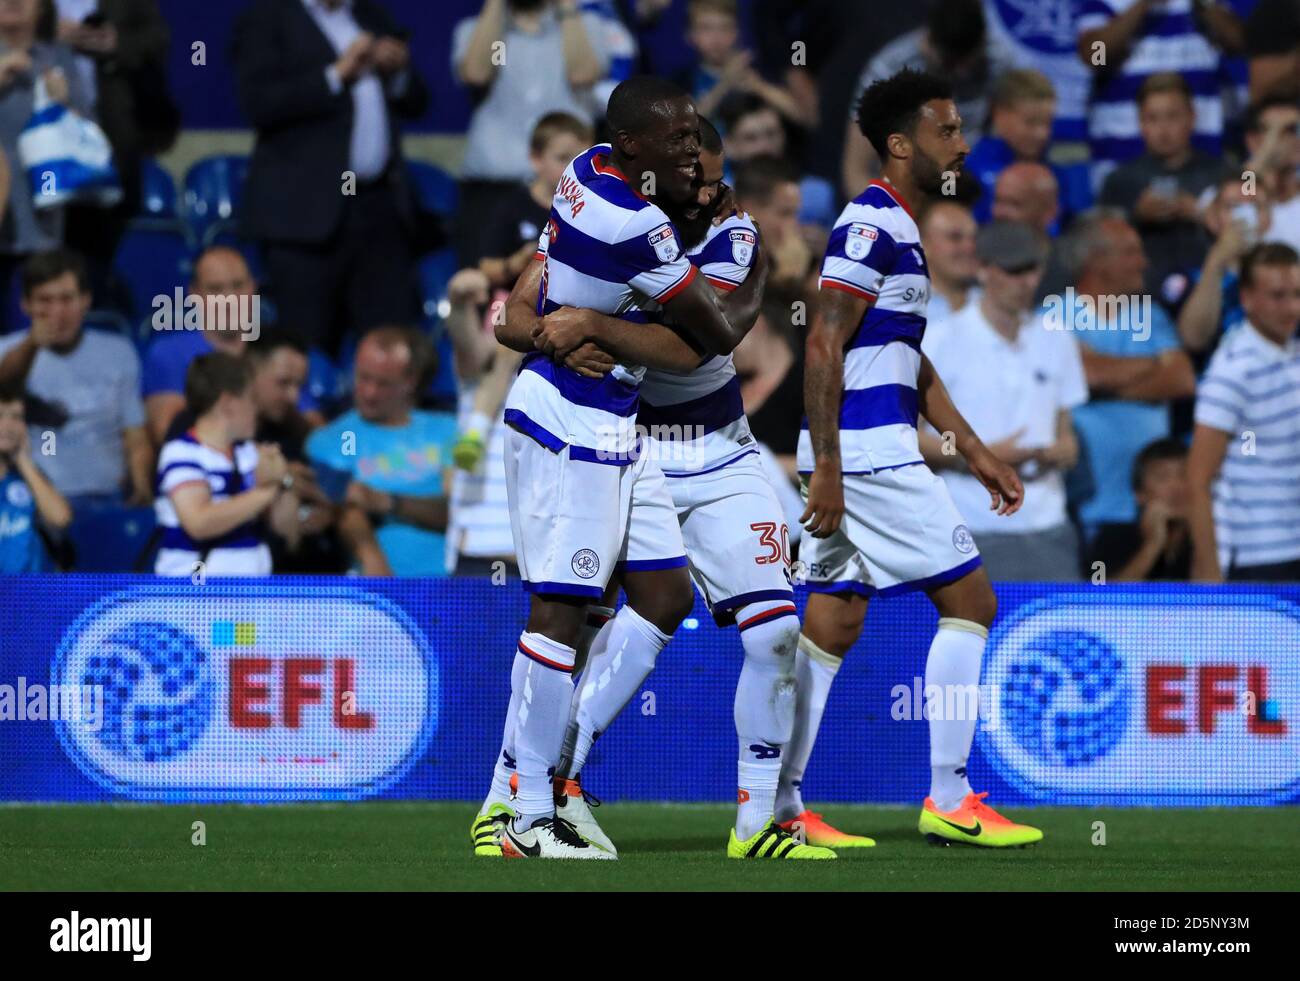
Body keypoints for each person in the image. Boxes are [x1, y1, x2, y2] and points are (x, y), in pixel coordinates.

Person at [498, 115, 835, 859]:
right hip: (633, 444)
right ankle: (548, 787)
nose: (707, 188)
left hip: (716, 450)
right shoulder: (609, 210)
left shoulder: (732, 237)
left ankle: (757, 823)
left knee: (778, 632)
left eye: (712, 175)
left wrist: (591, 323)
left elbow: (701, 343)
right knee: (585, 610)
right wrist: (538, 326)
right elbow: (524, 299)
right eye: (693, 172)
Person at [795, 68, 1040, 848]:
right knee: (972, 603)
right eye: (947, 131)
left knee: (832, 621)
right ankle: (950, 797)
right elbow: (823, 340)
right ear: (901, 145)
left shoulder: (903, 228)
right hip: (865, 456)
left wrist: (972, 448)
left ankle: (776, 803)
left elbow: (905, 359)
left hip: (860, 450)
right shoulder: (871, 226)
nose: (962, 144)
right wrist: (830, 464)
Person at [233, 0, 428, 354]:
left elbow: (418, 101)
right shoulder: (267, 19)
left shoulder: (370, 15)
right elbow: (258, 104)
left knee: (391, 342)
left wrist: (398, 71)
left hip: (379, 209)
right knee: (305, 346)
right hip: (303, 218)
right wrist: (337, 74)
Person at [920, 221, 1086, 581]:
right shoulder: (938, 340)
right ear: (983, 271)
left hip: (1048, 523)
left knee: (1055, 635)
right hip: (969, 523)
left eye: (1032, 269)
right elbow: (907, 438)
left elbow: (1067, 436)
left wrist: (1061, 451)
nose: (1026, 282)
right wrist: (980, 456)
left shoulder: (1057, 338)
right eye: (1013, 272)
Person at [1062, 209, 1196, 545]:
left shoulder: (1150, 315)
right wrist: (1152, 366)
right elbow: (1087, 375)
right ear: (1097, 261)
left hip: (1158, 507)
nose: (1143, 262)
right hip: (1088, 507)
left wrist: (1096, 388)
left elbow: (1181, 379)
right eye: (1131, 252)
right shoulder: (1052, 317)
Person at [451, 0, 610, 265]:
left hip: (567, 195)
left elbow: (583, 73)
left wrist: (567, 7)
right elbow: (476, 73)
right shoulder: (477, 29)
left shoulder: (586, 26)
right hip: (493, 191)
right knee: (484, 293)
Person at [0, 249, 150, 508]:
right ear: (25, 304)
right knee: (49, 441)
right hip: (36, 498)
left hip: (107, 497)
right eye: (45, 300)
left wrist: (141, 484)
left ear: (86, 300)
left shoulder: (118, 352)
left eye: (66, 299)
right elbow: (5, 386)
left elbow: (134, 434)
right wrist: (32, 345)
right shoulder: (8, 351)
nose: (57, 311)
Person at [1188, 242, 1300, 581]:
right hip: (1260, 555)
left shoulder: (1292, 354)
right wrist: (1209, 573)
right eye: (1278, 296)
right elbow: (1197, 478)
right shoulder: (1232, 370)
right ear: (1247, 298)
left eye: (1297, 294)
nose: (1292, 307)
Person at [305, 326, 457, 577]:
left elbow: (460, 512)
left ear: (410, 382)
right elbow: (340, 509)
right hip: (375, 594)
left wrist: (388, 503)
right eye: (363, 378)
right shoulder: (331, 440)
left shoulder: (448, 431)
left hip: (458, 585)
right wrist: (372, 559)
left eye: (383, 383)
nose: (369, 392)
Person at [55, 0, 176, 299]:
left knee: (95, 273)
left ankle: (94, 329)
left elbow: (157, 38)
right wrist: (48, 34)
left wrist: (114, 41)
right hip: (38, 159)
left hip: (111, 153)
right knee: (41, 272)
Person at [840, 0, 1013, 200]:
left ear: (983, 42)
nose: (959, 73)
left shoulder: (998, 61)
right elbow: (855, 170)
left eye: (965, 61)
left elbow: (1010, 136)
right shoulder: (888, 70)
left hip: (974, 184)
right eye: (949, 63)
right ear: (927, 40)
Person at [1076, 0, 1245, 190]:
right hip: (1121, 157)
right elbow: (1095, 57)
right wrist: (1142, 5)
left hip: (1202, 158)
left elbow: (1239, 43)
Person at [153, 353, 289, 577]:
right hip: (191, 601)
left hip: (252, 598)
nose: (258, 410)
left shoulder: (250, 455)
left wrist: (281, 476)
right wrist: (268, 491)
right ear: (227, 404)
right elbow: (199, 523)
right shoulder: (180, 452)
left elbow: (287, 531)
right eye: (252, 399)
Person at [1098, 73, 1221, 309]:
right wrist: (1135, 217)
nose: (1163, 129)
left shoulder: (1221, 174)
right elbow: (1098, 249)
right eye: (1152, 118)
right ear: (1140, 123)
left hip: (1208, 295)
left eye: (1172, 117)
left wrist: (1199, 212)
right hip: (1137, 302)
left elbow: (1245, 230)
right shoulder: (1119, 181)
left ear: (1192, 117)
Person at [0, 0, 94, 292]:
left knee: (38, 314)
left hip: (41, 209)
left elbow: (86, 133)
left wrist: (65, 103)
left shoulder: (58, 57)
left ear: (42, 6)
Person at [142, 246, 263, 447]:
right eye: (216, 289)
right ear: (194, 293)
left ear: (253, 286)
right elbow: (168, 433)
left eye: (238, 285)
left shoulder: (272, 350)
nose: (229, 299)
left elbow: (314, 433)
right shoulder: (169, 354)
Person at [1176, 175, 1273, 355]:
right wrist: (1217, 262)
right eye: (1234, 206)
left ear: (1268, 218)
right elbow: (1193, 339)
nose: (1245, 215)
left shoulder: (1290, 271)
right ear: (1212, 219)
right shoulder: (1188, 275)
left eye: (1255, 206)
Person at [1087, 438, 1195, 581]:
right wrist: (1152, 545)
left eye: (1184, 475)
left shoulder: (1213, 540)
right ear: (1139, 494)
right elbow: (1096, 593)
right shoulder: (1108, 539)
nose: (1176, 488)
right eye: (1162, 477)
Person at [678, 0, 800, 125]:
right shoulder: (682, 80)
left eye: (725, 27)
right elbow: (686, 126)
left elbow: (801, 115)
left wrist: (758, 86)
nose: (716, 38)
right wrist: (725, 84)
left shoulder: (758, 70)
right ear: (690, 35)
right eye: (706, 28)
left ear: (737, 32)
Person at [965, 69, 1058, 225]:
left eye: (1047, 123)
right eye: (1031, 122)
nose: (1041, 133)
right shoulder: (968, 172)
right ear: (999, 115)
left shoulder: (1054, 175)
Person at [0, 379, 70, 571]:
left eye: (16, 417)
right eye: (0, 416)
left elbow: (60, 518)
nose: (8, 425)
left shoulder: (30, 479)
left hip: (29, 594)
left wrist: (24, 461)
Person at [1242, 96, 1300, 257]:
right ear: (1252, 141)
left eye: (1295, 130)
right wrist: (1266, 152)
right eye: (1282, 133)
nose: (1293, 140)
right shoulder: (1244, 191)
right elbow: (1244, 196)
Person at [918, 199, 978, 324]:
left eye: (974, 238)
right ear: (923, 244)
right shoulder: (900, 308)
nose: (970, 247)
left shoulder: (994, 304)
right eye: (955, 237)